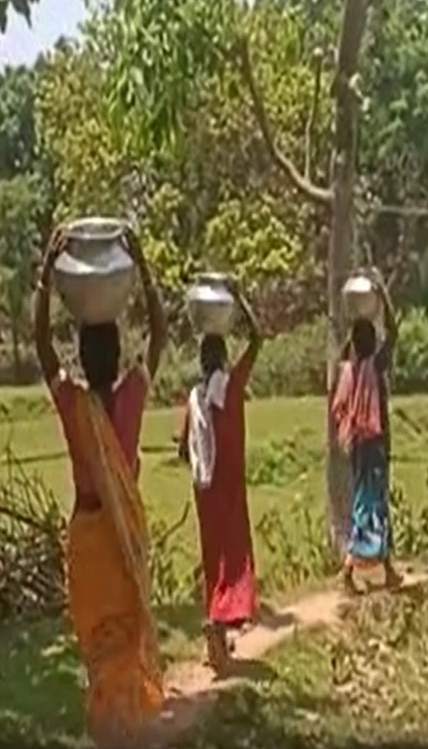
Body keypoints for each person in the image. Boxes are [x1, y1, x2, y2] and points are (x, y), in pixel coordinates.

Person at [34, 225, 168, 748]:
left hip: (89, 535)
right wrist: (145, 269)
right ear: (116, 359)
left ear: (84, 362)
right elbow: (159, 336)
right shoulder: (133, 393)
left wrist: (47, 271)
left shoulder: (73, 403)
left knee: (98, 640)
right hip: (121, 540)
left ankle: (107, 730)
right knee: (124, 634)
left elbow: (41, 344)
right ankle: (127, 729)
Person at [175, 282, 263, 671]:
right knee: (234, 554)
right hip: (228, 485)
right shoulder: (231, 385)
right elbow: (258, 340)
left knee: (213, 556)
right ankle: (219, 623)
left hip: (203, 487)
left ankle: (217, 638)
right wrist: (241, 300)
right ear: (224, 358)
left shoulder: (194, 396)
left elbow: (183, 448)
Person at [329, 275, 403, 592]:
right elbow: (395, 332)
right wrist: (382, 295)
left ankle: (387, 570)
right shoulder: (374, 367)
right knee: (370, 506)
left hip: (358, 445)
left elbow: (339, 406)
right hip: (374, 444)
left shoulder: (349, 370)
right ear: (372, 344)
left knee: (374, 504)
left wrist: (356, 319)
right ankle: (348, 570)